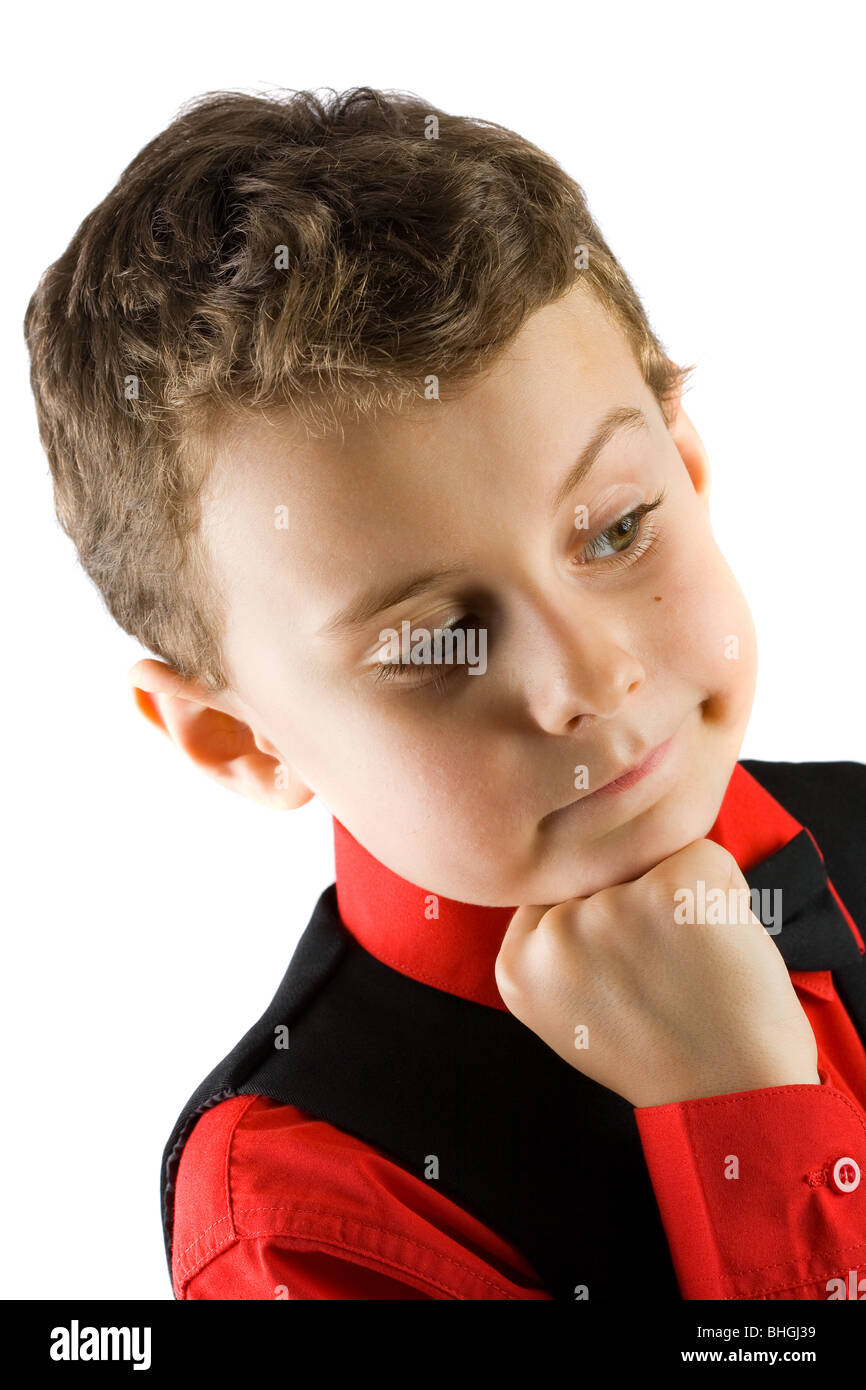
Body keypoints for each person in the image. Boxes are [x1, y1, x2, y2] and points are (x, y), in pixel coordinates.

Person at [24, 86, 866, 1301]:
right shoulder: (297, 1211)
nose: (589, 679)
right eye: (431, 644)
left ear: (684, 468)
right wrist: (738, 1105)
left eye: (619, 525)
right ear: (236, 739)